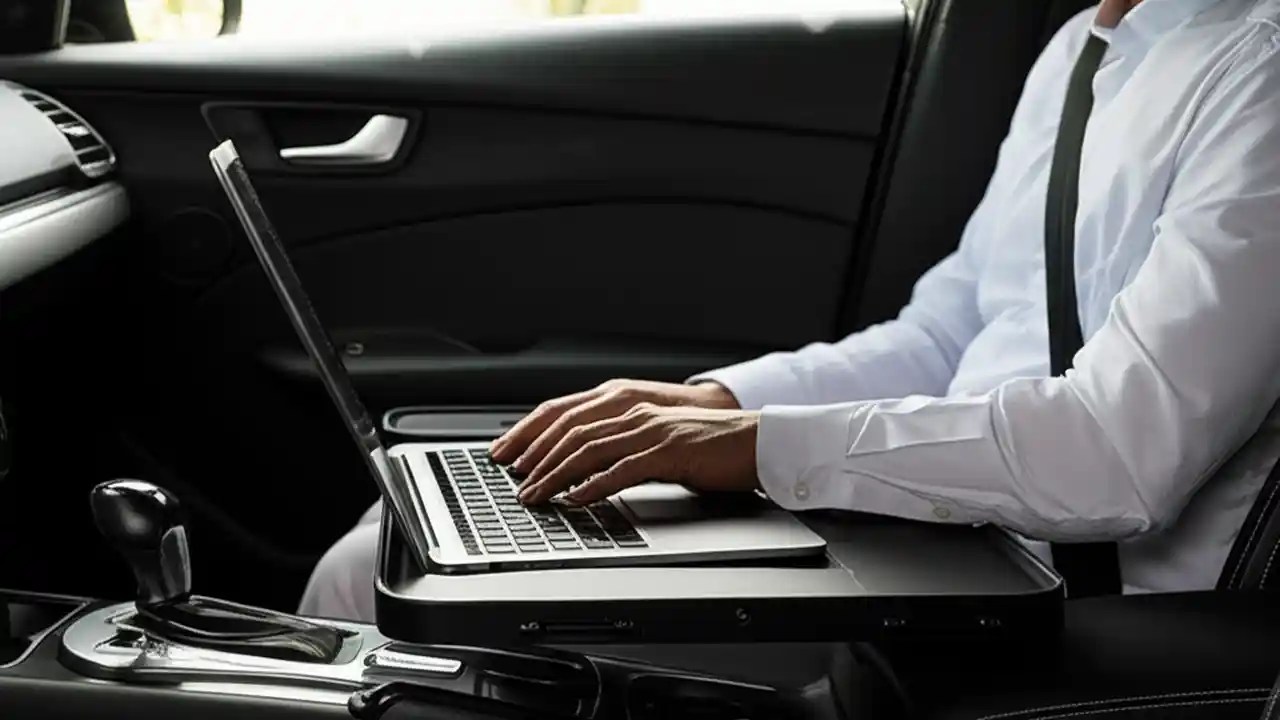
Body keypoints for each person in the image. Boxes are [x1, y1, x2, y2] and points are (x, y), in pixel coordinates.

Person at [300, 0, 1280, 623]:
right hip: (945, 541)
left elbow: (1118, 452)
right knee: (390, 540)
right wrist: (710, 406)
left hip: (1073, 617)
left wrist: (761, 447)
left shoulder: (1260, 70)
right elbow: (944, 335)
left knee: (379, 587)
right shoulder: (1082, 47)